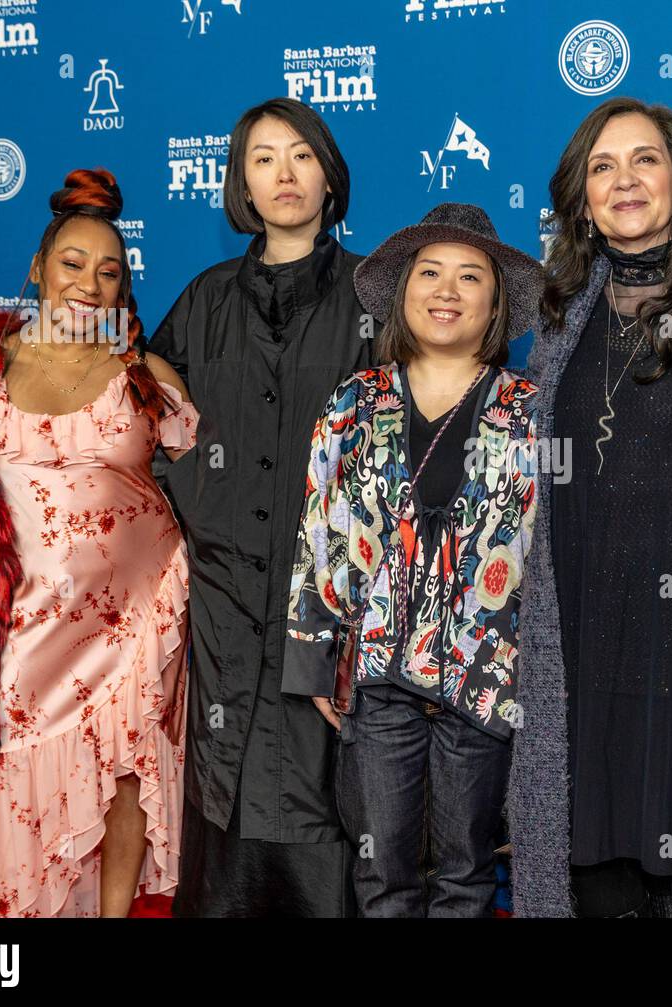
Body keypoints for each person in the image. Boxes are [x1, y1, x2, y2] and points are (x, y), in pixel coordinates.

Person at [507, 97, 672, 917]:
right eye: (603, 165)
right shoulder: (562, 314)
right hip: (586, 636)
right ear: (580, 196)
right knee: (590, 862)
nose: (625, 180)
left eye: (645, 159)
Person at [0, 168, 198, 917]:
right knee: (31, 776)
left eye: (110, 272)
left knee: (130, 765)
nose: (89, 285)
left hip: (143, 608)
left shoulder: (142, 372)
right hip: (36, 623)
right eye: (73, 264)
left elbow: (213, 481)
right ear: (39, 268)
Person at [146, 97, 372, 917]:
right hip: (225, 610)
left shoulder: (375, 295)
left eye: (302, 155)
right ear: (241, 179)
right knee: (225, 814)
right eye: (264, 157)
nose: (285, 174)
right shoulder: (203, 301)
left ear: (329, 174)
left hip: (330, 612)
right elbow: (137, 426)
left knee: (323, 815)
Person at [285, 203, 542, 917]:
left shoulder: (532, 411)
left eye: (469, 276)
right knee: (382, 874)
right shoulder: (353, 403)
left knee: (466, 874)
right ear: (403, 291)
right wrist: (313, 657)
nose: (447, 290)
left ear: (495, 302)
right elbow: (319, 533)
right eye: (430, 272)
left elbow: (551, 556)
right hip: (377, 674)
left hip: (487, 676)